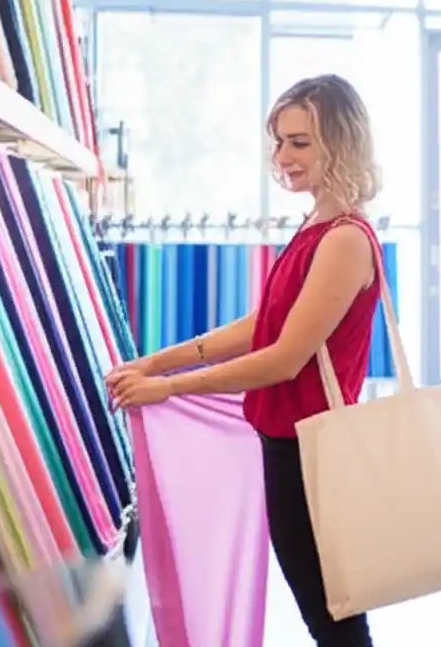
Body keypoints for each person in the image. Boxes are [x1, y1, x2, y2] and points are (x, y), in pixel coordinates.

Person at [105, 74, 383, 647]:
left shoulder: (344, 239)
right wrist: (157, 363)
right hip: (290, 443)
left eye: (300, 142)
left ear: (342, 140)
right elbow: (263, 325)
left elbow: (283, 358)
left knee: (334, 617)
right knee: (329, 612)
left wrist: (172, 388)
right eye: (278, 141)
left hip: (311, 450)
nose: (283, 156)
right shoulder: (316, 228)